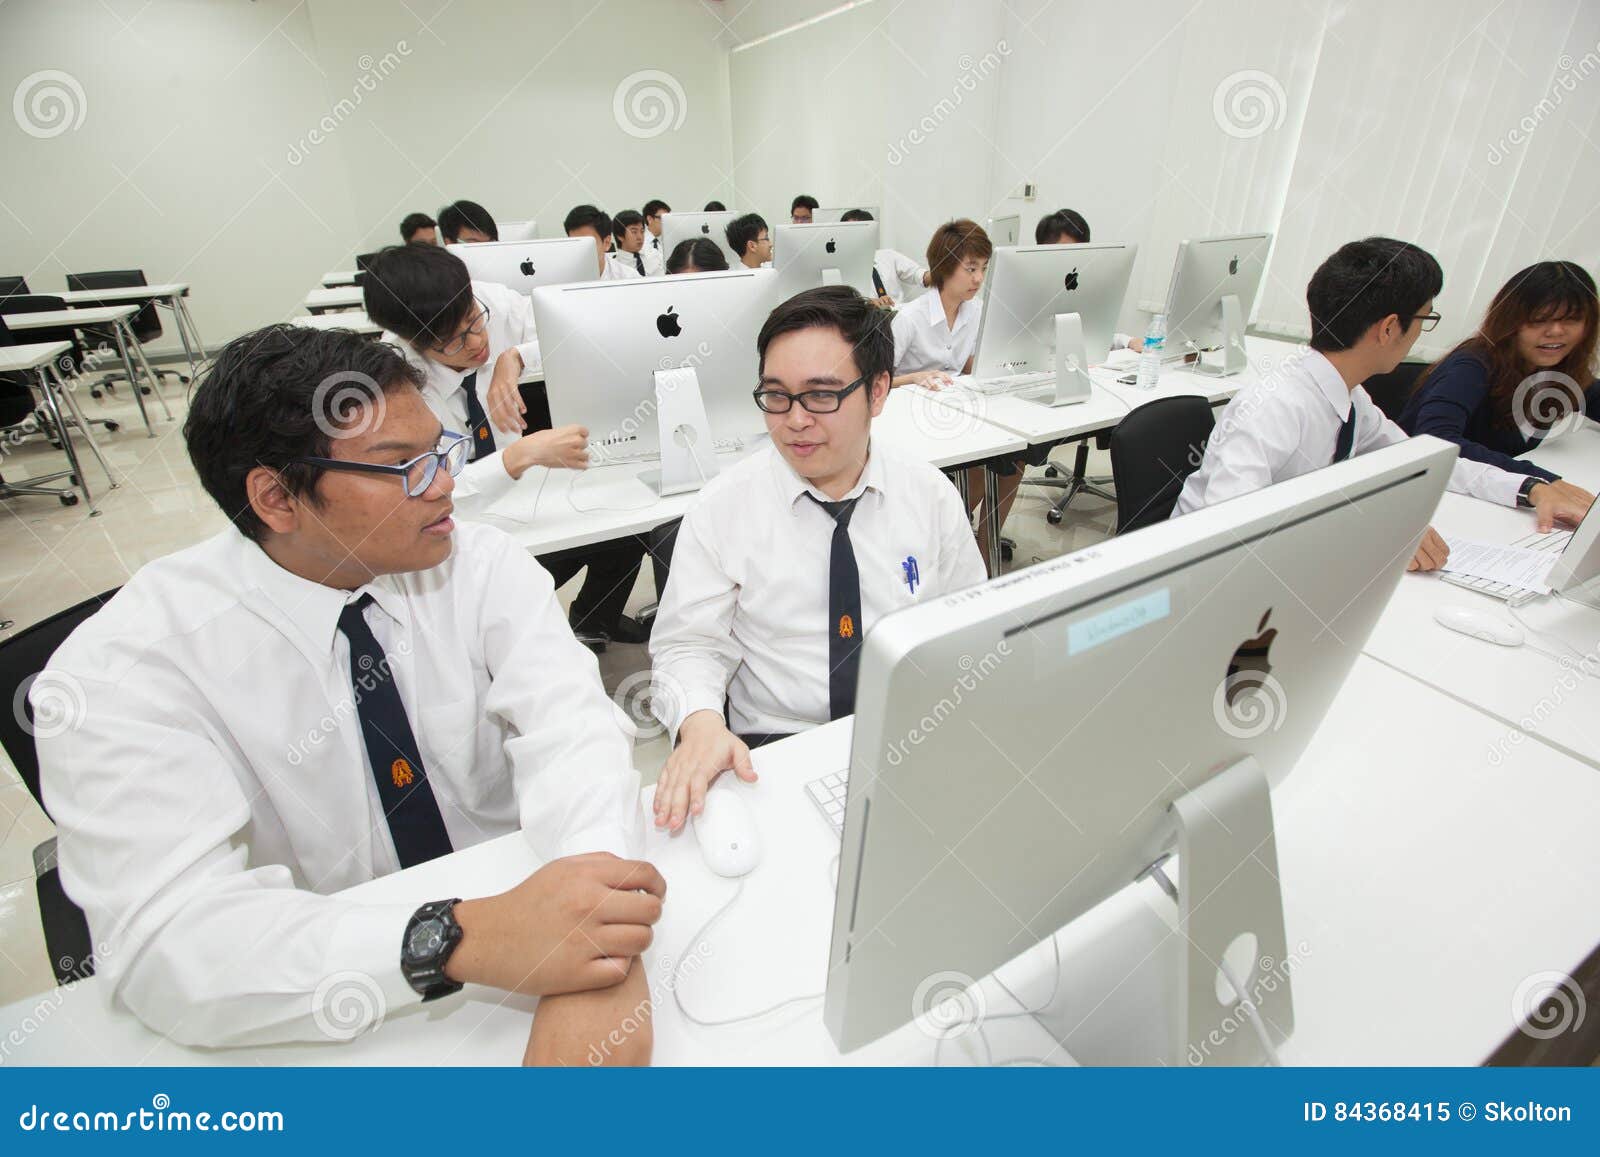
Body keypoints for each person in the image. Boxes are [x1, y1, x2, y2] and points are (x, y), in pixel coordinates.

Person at [34, 325, 662, 1062]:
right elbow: (172, 945)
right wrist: (460, 936)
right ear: (275, 496)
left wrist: (593, 935)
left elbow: (575, 736)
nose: (444, 483)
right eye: (401, 467)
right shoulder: (123, 671)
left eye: (441, 449)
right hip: (313, 1005)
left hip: (522, 945)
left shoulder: (480, 563)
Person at [648, 287, 986, 830]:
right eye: (776, 396)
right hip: (774, 747)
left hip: (907, 732)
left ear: (878, 393)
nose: (795, 420)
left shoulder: (929, 494)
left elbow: (969, 621)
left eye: (822, 395)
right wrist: (702, 721)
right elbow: (688, 644)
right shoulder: (723, 508)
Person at [1176, 238, 1593, 565]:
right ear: (1390, 328)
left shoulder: (1351, 398)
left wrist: (1530, 488)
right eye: (1425, 319)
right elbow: (1228, 532)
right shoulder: (1275, 406)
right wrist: (1373, 537)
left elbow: (1427, 458)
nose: (1421, 334)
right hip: (1199, 582)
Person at [363, 244, 650, 647]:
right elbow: (419, 497)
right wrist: (518, 457)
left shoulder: (490, 301)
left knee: (625, 527)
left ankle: (592, 617)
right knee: (500, 588)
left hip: (523, 500)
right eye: (454, 341)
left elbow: (587, 329)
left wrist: (515, 357)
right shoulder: (395, 383)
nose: (478, 341)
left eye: (475, 321)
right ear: (414, 342)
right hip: (454, 533)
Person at [1399, 260, 1600, 490]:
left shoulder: (1556, 369)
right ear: (1510, 322)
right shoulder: (1472, 365)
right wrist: (1536, 480)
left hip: (1490, 494)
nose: (1555, 332)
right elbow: (1435, 441)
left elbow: (1593, 397)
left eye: (1571, 320)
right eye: (1539, 320)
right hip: (1425, 488)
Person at [889, 220, 1013, 566]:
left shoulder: (976, 313)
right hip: (912, 420)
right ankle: (945, 540)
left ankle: (983, 549)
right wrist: (915, 378)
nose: (978, 279)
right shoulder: (909, 318)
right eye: (970, 268)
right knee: (976, 466)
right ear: (945, 267)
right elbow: (874, 381)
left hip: (958, 411)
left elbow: (969, 364)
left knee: (1012, 459)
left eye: (984, 269)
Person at [1034, 208, 1141, 351]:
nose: (1075, 259)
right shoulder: (1031, 289)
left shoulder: (1080, 285)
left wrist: (1127, 341)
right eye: (1068, 252)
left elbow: (1093, 338)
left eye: (1081, 251)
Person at [841, 208, 929, 306]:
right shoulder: (839, 268)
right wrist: (868, 302)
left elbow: (919, 275)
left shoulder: (888, 255)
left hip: (898, 314)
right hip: (866, 317)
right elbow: (841, 302)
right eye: (850, 231)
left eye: (860, 231)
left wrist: (940, 273)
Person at [564, 204, 642, 280]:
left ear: (606, 243)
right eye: (574, 244)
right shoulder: (563, 278)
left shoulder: (629, 277)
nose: (580, 251)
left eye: (587, 244)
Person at [612, 209, 649, 276]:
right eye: (634, 232)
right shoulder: (613, 268)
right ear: (620, 236)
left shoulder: (652, 258)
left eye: (642, 231)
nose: (640, 237)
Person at [641, 199, 671, 276]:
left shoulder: (662, 241)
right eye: (663, 218)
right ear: (650, 219)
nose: (666, 222)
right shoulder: (640, 242)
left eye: (668, 218)